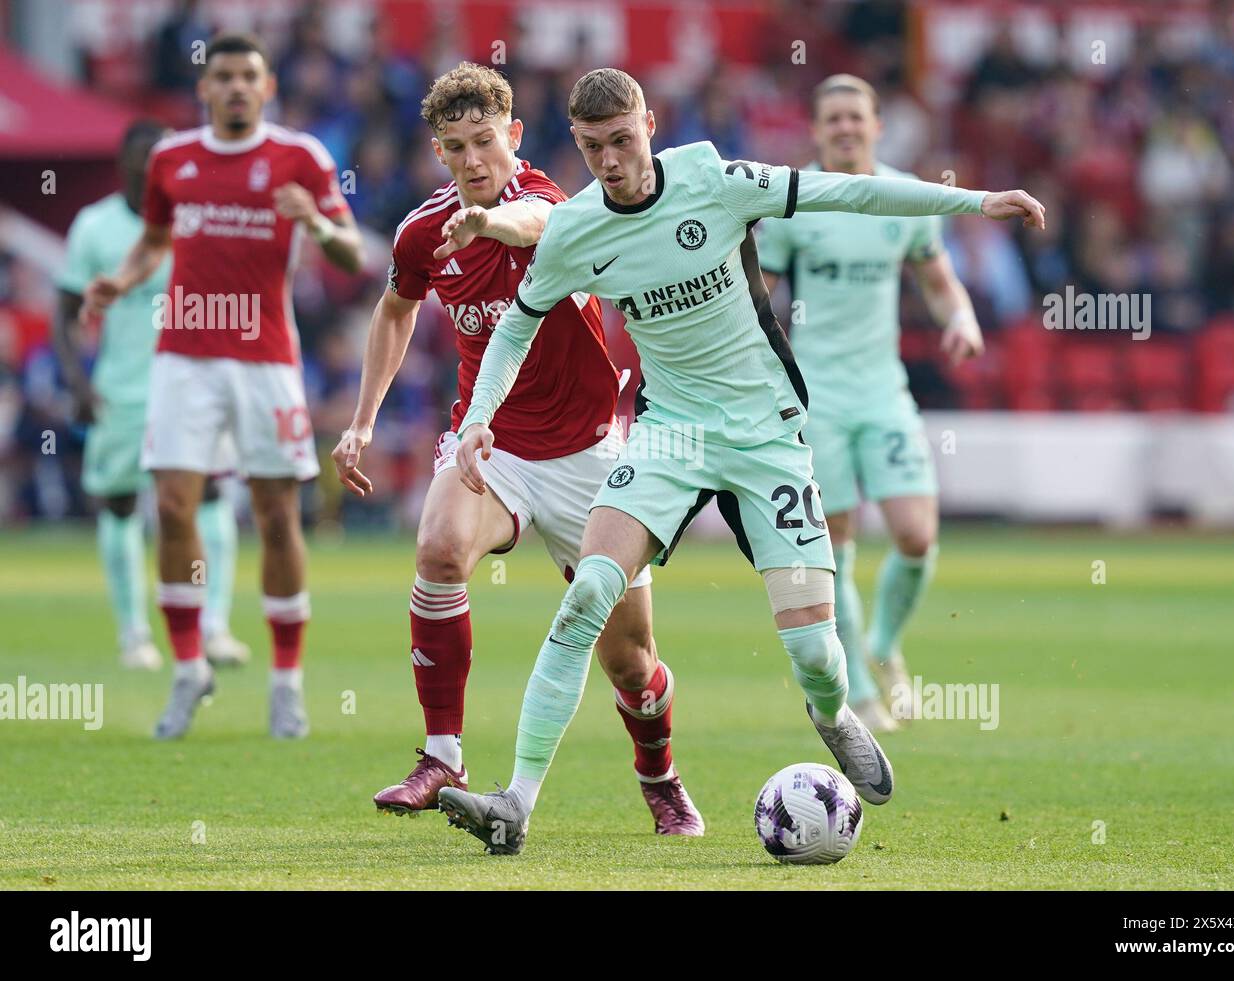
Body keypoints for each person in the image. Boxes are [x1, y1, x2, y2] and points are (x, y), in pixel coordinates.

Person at [437, 68, 1045, 854]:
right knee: (589, 589)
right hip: (672, 434)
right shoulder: (575, 229)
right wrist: (479, 419)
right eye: (594, 148)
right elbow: (516, 327)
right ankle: (515, 800)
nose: (613, 160)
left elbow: (848, 194)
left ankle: (830, 710)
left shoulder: (715, 180)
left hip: (765, 432)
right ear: (579, 145)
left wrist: (974, 204)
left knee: (815, 655)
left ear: (649, 123)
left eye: (623, 139)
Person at [331, 63, 703, 835]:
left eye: (486, 142)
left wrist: (490, 223)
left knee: (631, 662)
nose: (473, 160)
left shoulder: (557, 204)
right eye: (456, 146)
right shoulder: (421, 231)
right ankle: (443, 755)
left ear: (516, 138)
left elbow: (535, 226)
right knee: (436, 547)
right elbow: (395, 308)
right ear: (437, 150)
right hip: (490, 442)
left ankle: (660, 775)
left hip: (591, 454)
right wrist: (363, 420)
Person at [81, 32, 364, 739]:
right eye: (225, 77)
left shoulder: (302, 157)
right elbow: (155, 240)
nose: (237, 87)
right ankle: (187, 670)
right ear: (205, 89)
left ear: (267, 89)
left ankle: (286, 685)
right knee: (173, 505)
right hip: (183, 355)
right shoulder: (172, 159)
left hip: (266, 359)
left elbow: (353, 249)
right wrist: (121, 278)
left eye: (249, 77)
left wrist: (320, 225)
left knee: (275, 516)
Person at [759, 75, 987, 729]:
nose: (845, 127)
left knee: (917, 535)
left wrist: (962, 318)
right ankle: (859, 688)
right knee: (836, 542)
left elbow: (940, 282)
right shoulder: (794, 200)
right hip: (818, 395)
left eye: (855, 117)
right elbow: (760, 292)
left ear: (877, 126)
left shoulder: (902, 198)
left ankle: (883, 643)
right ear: (816, 128)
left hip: (884, 390)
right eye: (832, 118)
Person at [54, 120, 249, 672]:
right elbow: (65, 312)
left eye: (160, 160)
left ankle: (214, 628)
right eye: (143, 161)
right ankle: (134, 635)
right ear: (124, 166)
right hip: (122, 390)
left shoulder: (199, 220)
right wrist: (78, 382)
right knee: (119, 504)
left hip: (197, 386)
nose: (151, 170)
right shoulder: (94, 226)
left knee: (208, 495)